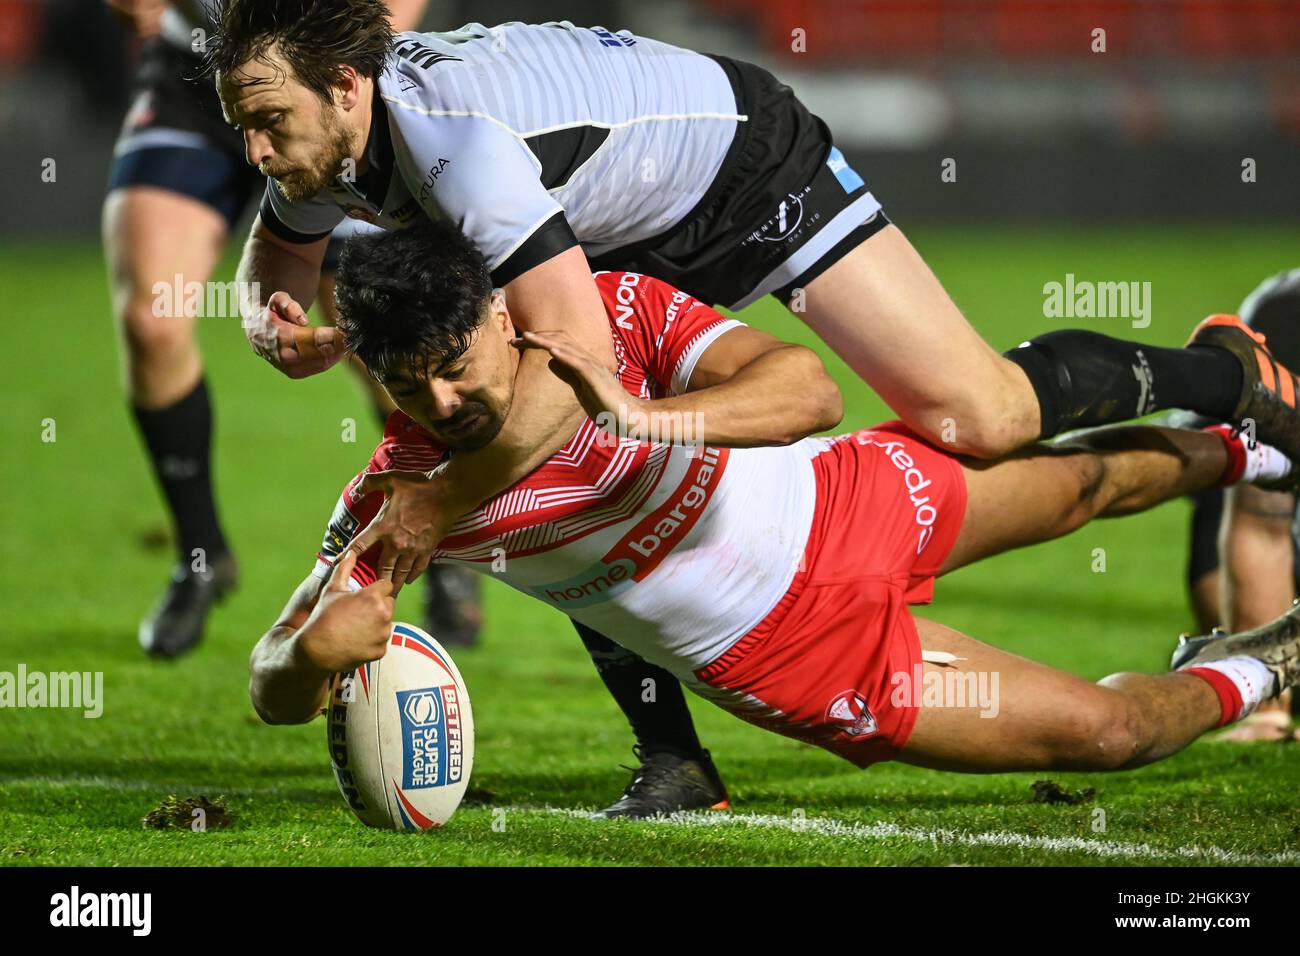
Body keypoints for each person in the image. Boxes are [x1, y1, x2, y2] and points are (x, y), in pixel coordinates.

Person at [211, 2, 1300, 815]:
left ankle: (1228, 377)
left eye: (265, 122)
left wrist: (442, 505)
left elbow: (584, 362)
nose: (255, 150)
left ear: (350, 86)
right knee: (556, 486)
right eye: (241, 127)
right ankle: (674, 760)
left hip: (733, 167)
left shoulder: (464, 158)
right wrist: (273, 320)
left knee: (987, 416)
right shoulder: (319, 142)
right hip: (619, 237)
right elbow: (282, 241)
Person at [250, 222, 1300, 789]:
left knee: (1085, 482)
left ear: (495, 309)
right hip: (798, 657)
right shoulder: (400, 498)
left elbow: (810, 391)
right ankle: (1268, 659)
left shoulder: (607, 316)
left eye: (451, 364)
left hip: (838, 499)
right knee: (1106, 733)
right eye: (404, 383)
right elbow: (271, 683)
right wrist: (309, 654)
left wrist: (638, 418)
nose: (440, 401)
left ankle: (1260, 445)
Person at [101, 0, 482, 660]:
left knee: (373, 330)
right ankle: (199, 556)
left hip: (324, 82)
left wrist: (344, 64)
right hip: (196, 73)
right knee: (150, 319)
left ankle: (434, 538)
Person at [1184, 269, 1300, 741]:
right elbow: (1259, 522)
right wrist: (1266, 706)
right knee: (1234, 463)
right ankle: (1257, 672)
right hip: (1280, 549)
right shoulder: (1286, 316)